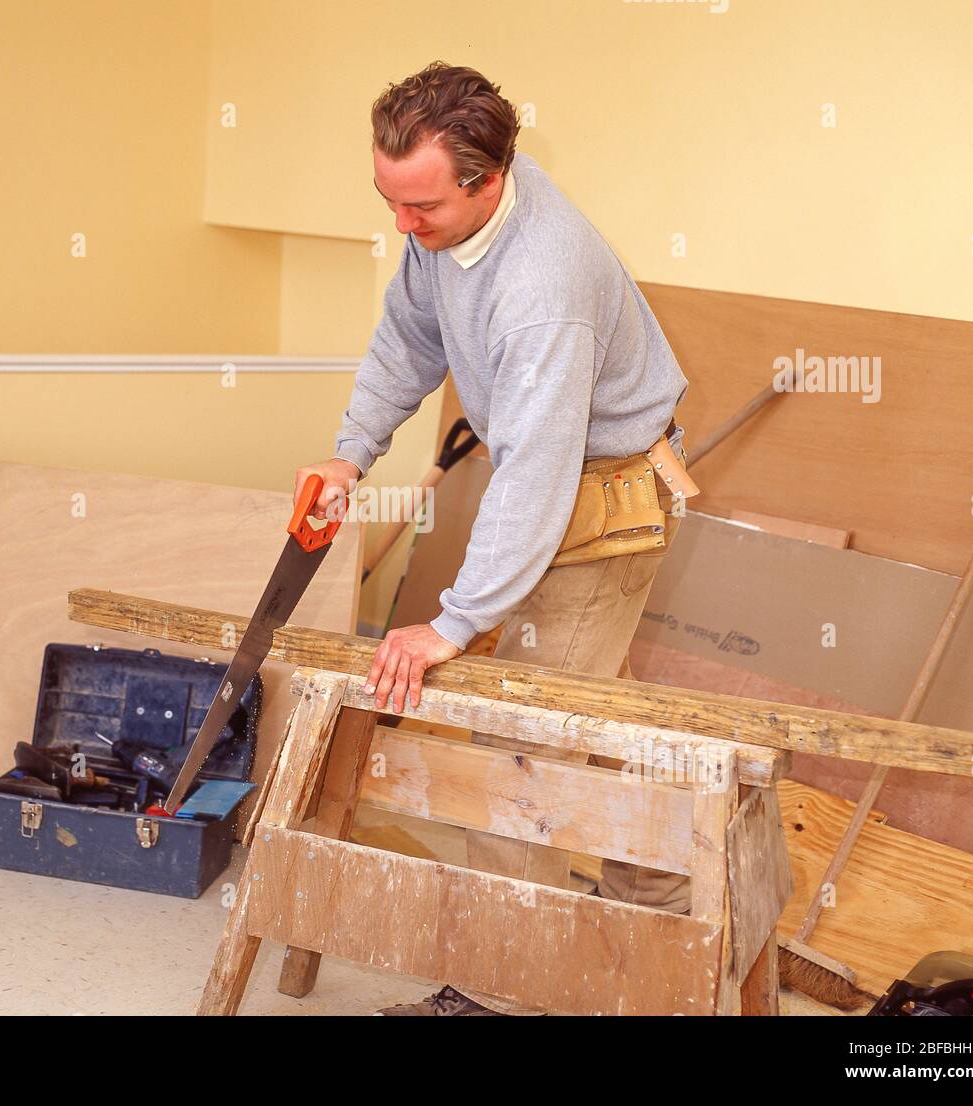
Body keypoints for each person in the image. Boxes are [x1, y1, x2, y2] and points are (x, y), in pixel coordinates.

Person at [294, 61, 696, 1016]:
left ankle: (501, 994)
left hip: (597, 507)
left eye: (420, 206)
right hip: (552, 482)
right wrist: (351, 456)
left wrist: (456, 621)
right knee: (596, 730)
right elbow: (408, 339)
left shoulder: (542, 286)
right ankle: (679, 917)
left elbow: (535, 471)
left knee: (515, 748)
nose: (403, 226)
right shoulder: (449, 220)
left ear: (487, 178)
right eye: (388, 200)